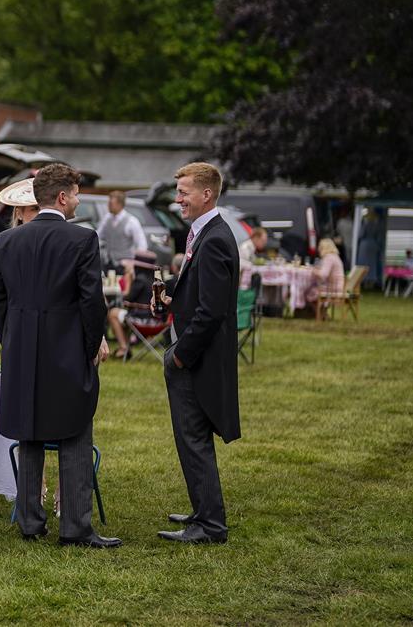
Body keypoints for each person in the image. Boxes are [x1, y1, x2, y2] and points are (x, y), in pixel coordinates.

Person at [0, 163, 119, 549]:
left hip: (22, 349)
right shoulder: (82, 239)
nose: (78, 200)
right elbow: (91, 301)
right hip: (67, 348)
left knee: (29, 432)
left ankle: (30, 520)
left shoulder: (8, 241)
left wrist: (13, 334)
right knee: (74, 429)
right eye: (76, 193)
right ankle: (76, 527)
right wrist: (92, 343)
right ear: (62, 198)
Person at [157, 162, 240, 545]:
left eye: (184, 192)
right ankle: (201, 510)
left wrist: (179, 355)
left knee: (194, 439)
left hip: (196, 360)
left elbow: (212, 311)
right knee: (190, 439)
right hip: (191, 355)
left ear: (206, 194)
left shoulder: (216, 238)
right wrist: (172, 291)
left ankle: (210, 526)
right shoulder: (203, 234)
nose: (178, 200)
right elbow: (198, 289)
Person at [0, 177, 36, 356]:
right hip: (18, 328)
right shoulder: (7, 245)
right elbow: (1, 295)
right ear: (19, 213)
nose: (39, 214)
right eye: (33, 209)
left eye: (41, 208)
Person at [108, 249, 160, 361]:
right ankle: (125, 349)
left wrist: (129, 282)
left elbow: (126, 300)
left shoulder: (140, 280)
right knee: (122, 316)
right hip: (157, 320)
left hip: (141, 319)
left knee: (113, 313)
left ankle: (123, 348)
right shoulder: (156, 280)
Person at [96, 190, 147, 273]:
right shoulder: (107, 219)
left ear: (120, 204)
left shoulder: (132, 221)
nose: (108, 206)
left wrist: (134, 263)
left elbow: (142, 245)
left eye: (111, 204)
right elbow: (98, 236)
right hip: (108, 263)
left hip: (125, 265)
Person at [310, 238, 346, 317]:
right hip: (338, 287)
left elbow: (323, 275)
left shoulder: (328, 258)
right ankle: (322, 313)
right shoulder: (335, 257)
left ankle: (321, 314)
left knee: (308, 291)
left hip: (333, 289)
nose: (318, 249)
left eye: (320, 247)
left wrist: (313, 270)